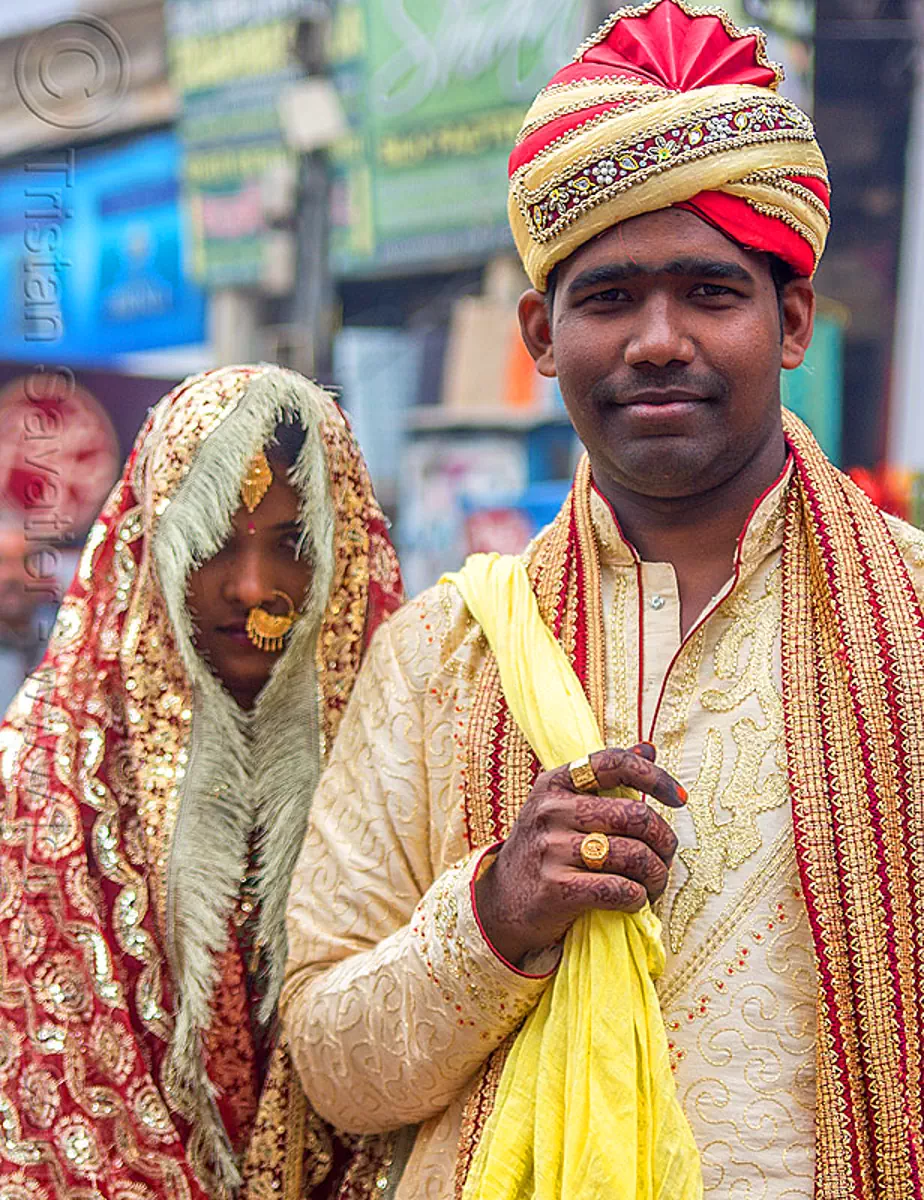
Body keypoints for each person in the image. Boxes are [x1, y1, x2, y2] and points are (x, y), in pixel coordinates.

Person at [280, 3, 924, 1198]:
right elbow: (328, 1059)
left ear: (791, 323)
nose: (658, 340)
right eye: (611, 296)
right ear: (542, 333)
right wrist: (494, 915)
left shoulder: (916, 626)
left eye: (710, 293)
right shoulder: (441, 655)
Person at [0, 364, 402, 1199]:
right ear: (152, 541)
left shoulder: (409, 758)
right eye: (215, 537)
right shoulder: (41, 778)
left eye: (291, 546)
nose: (251, 587)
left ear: (343, 555)